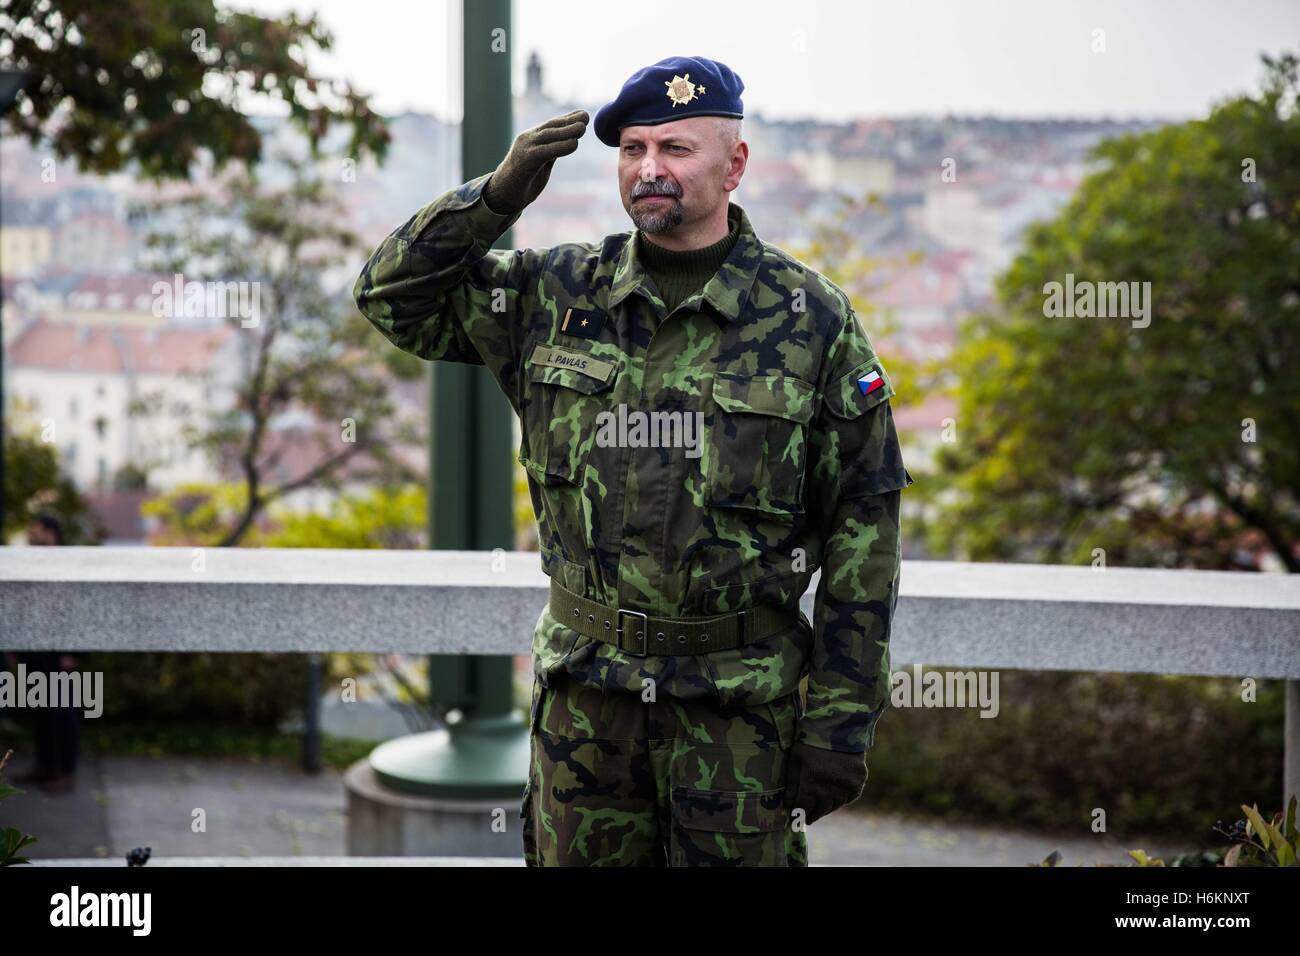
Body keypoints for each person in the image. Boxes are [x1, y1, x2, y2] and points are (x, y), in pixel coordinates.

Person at [354, 55, 912, 866]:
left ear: (735, 164)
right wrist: (496, 197)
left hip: (738, 717)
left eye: (676, 149)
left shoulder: (810, 319)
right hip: (587, 716)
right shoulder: (556, 294)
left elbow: (867, 531)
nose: (649, 169)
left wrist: (840, 722)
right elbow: (389, 296)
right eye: (632, 150)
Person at [10, 513, 82, 794]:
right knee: (40, 711)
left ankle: (66, 773)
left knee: (63, 714)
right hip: (35, 651)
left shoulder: (66, 564)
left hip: (58, 654)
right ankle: (45, 767)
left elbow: (76, 607)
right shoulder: (32, 562)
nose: (30, 534)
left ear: (50, 533)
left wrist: (72, 651)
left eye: (35, 529)